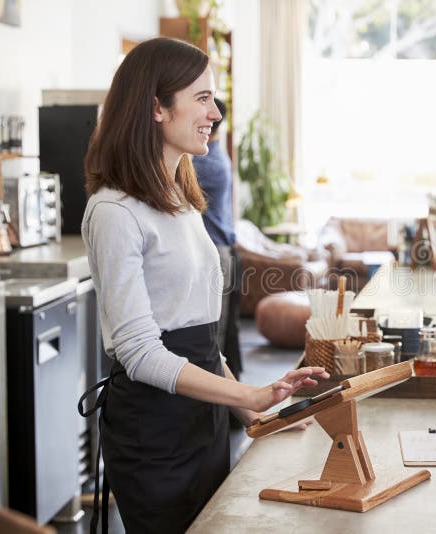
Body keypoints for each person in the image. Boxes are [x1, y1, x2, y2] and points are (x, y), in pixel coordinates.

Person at [80, 37, 328, 533]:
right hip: (155, 432)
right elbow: (139, 350)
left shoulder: (180, 198)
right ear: (155, 107)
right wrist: (249, 397)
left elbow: (200, 339)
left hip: (204, 422)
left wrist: (250, 409)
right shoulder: (114, 211)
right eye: (202, 98)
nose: (215, 112)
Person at [192, 97, 243, 382]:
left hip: (218, 254)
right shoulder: (215, 154)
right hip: (221, 251)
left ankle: (218, 408)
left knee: (215, 334)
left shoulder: (205, 162)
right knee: (217, 331)